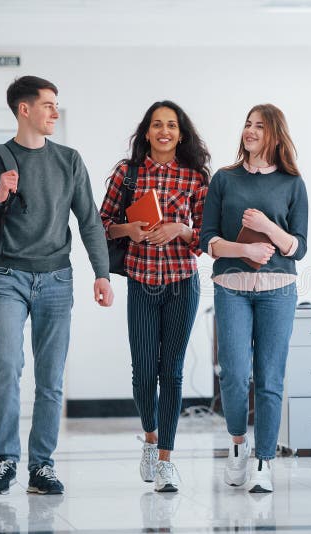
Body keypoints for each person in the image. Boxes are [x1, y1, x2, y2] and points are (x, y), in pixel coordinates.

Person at [0, 75, 114, 495]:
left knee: (51, 378)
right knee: (7, 367)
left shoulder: (69, 160)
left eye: (56, 105)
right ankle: (4, 459)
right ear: (25, 109)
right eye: (48, 105)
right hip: (7, 277)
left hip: (57, 278)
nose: (55, 113)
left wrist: (101, 273)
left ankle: (42, 466)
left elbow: (90, 221)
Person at [100, 101, 209, 492]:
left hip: (182, 283)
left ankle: (165, 458)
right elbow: (102, 226)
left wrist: (180, 229)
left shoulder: (195, 177)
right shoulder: (127, 174)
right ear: (146, 132)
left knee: (172, 372)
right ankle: (149, 436)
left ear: (181, 134)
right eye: (157, 125)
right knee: (144, 372)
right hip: (142, 283)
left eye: (172, 125)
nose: (164, 131)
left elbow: (207, 237)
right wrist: (129, 228)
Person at [200, 104, 308, 493]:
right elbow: (207, 239)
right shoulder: (224, 179)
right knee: (233, 374)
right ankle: (237, 444)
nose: (250, 131)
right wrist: (242, 251)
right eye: (247, 124)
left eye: (259, 126)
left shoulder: (292, 183)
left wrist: (266, 228)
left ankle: (264, 459)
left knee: (269, 378)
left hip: (279, 291)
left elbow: (299, 247)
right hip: (231, 288)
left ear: (275, 134)